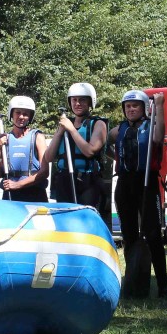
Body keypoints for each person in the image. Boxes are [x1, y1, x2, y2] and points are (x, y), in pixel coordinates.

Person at [111, 90, 167, 296]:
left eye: (135, 106)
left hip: (147, 183)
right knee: (129, 235)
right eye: (128, 106)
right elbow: (106, 144)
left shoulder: (151, 126)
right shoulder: (119, 130)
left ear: (144, 108)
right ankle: (134, 281)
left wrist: (160, 106)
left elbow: (160, 136)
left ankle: (163, 286)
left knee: (153, 235)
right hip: (125, 184)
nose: (131, 109)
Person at [45, 83, 111, 230]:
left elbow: (90, 151)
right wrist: (61, 131)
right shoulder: (64, 124)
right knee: (65, 224)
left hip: (88, 182)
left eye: (82, 100)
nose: (77, 103)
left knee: (85, 223)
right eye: (74, 100)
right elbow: (48, 157)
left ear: (90, 102)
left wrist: (71, 130)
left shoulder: (98, 124)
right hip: (65, 180)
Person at [0, 96, 49, 202]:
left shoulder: (37, 137)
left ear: (30, 117)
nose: (21, 116)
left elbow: (45, 171)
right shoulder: (5, 139)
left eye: (26, 114)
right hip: (11, 194)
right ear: (11, 114)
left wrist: (18, 184)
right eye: (18, 112)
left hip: (34, 193)